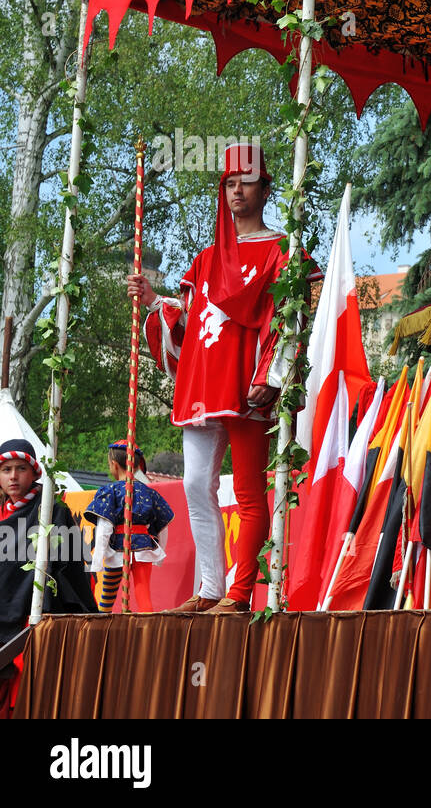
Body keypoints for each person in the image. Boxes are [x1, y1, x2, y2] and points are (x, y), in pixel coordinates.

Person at [130, 143, 315, 613]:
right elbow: (192, 323)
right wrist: (155, 302)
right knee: (195, 485)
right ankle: (210, 587)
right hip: (203, 384)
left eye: (245, 182)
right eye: (229, 184)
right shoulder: (208, 258)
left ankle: (238, 593)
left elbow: (291, 318)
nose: (236, 191)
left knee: (251, 490)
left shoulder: (283, 252)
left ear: (266, 189)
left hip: (247, 383)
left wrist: (274, 372)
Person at [0, 438, 97, 643]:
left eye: (21, 469)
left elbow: (68, 567)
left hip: (36, 618)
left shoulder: (53, 510)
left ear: (34, 472)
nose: (13, 476)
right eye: (6, 470)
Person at [84, 441, 173, 613]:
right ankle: (148, 633)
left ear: (114, 465)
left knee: (107, 596)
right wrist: (160, 553)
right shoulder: (149, 492)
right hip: (143, 548)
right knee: (143, 595)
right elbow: (163, 525)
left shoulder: (110, 491)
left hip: (119, 547)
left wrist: (97, 559)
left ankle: (101, 625)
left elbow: (105, 527)